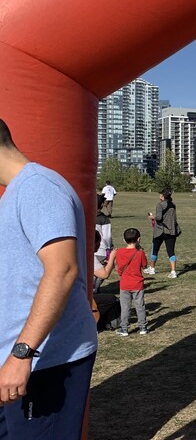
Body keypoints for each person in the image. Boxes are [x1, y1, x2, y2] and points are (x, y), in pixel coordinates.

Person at [0, 118, 97, 435]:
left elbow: (63, 270)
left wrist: (21, 354)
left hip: (45, 361)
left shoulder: (38, 187)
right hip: (19, 361)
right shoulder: (15, 193)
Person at [110, 228, 149, 335]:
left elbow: (119, 266)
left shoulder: (119, 252)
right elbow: (144, 265)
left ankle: (124, 328)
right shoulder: (140, 253)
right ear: (138, 239)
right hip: (137, 284)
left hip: (125, 284)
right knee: (140, 306)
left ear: (124, 240)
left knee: (125, 307)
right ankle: (143, 327)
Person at [148, 187, 180, 278]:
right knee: (171, 252)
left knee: (155, 249)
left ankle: (152, 268)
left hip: (160, 231)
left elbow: (159, 218)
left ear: (162, 195)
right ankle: (173, 271)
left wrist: (152, 217)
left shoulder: (160, 205)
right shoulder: (173, 204)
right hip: (171, 231)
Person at [93, 197, 113, 292]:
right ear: (101, 205)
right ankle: (95, 289)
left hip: (90, 248)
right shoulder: (104, 219)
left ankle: (93, 288)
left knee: (93, 271)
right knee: (103, 270)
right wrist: (109, 249)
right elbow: (107, 236)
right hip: (101, 249)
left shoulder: (86, 216)